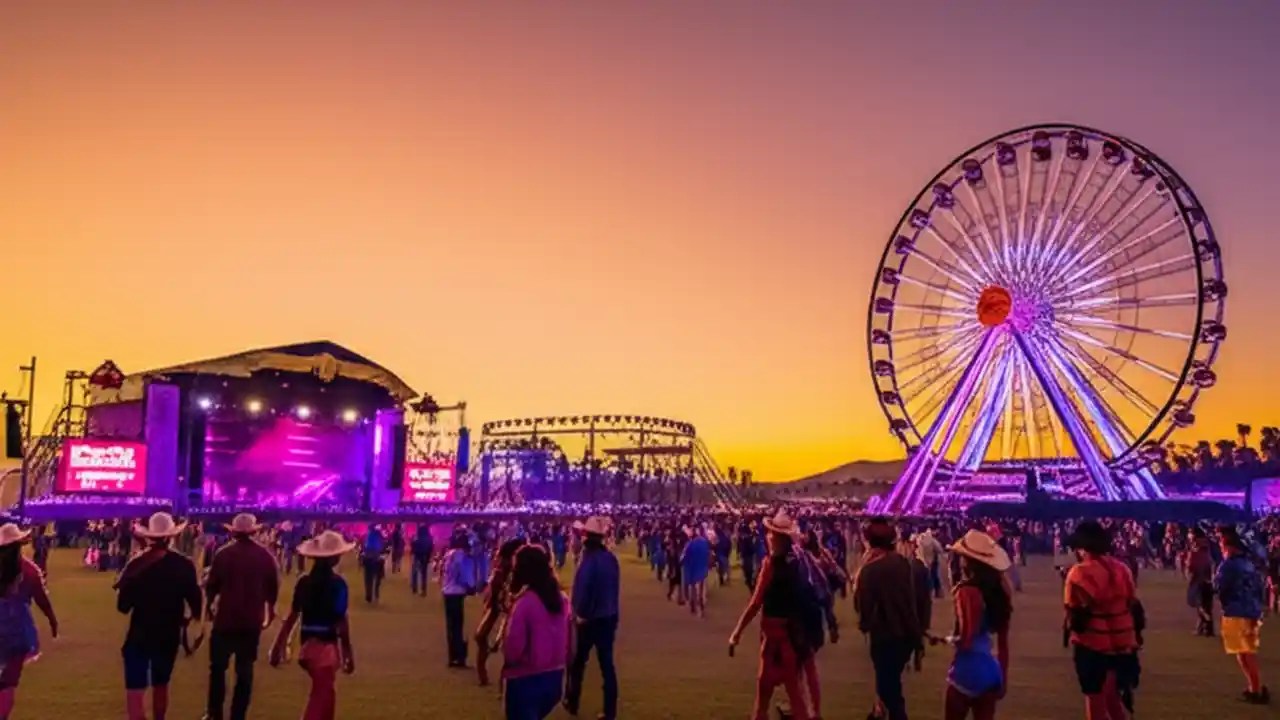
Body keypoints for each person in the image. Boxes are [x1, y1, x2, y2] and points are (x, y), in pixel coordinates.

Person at [116, 513, 203, 720]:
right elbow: (195, 604)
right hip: (168, 635)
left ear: (149, 536)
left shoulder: (136, 565)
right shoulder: (185, 565)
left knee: (135, 690)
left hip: (139, 634)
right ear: (171, 536)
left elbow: (123, 607)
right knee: (161, 685)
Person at [728, 511, 811, 720]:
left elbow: (756, 602)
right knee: (795, 692)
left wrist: (737, 632)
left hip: (774, 636)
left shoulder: (770, 564)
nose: (768, 536)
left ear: (776, 537)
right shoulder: (797, 561)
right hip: (793, 634)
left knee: (764, 692)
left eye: (771, 533)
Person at [269, 530, 357, 720]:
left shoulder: (304, 583)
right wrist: (348, 652)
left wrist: (278, 646)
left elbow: (292, 616)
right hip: (326, 648)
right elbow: (341, 621)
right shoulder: (338, 585)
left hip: (307, 647)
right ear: (334, 558)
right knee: (321, 696)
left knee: (327, 694)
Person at [1063, 520, 1143, 720]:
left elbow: (1075, 614)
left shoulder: (1079, 573)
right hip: (1123, 643)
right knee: (1113, 699)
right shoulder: (1121, 569)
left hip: (1093, 645)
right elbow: (1133, 604)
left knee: (1095, 700)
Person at [204, 513, 280, 720]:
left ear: (234, 532)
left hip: (225, 620)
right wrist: (270, 610)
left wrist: (210, 605)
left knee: (218, 669)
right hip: (250, 621)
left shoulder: (223, 554)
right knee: (244, 670)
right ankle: (238, 715)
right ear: (253, 532)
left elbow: (212, 586)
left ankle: (214, 713)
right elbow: (273, 588)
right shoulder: (265, 556)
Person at [853, 517, 923, 720]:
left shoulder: (869, 570)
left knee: (889, 691)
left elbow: (863, 609)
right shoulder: (903, 563)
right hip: (906, 635)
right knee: (890, 685)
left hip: (884, 637)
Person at [940, 530, 1012, 720]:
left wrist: (946, 639)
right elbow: (1003, 644)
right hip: (992, 671)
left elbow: (966, 638)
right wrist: (1003, 677)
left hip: (967, 669)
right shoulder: (1001, 593)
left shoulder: (966, 592)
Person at [503, 545, 573, 720]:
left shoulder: (525, 604)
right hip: (554, 676)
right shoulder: (561, 599)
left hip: (526, 678)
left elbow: (513, 648)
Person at [564, 516, 620, 720]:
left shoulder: (588, 559)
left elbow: (583, 588)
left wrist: (579, 613)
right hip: (609, 617)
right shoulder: (610, 559)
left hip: (589, 620)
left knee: (578, 662)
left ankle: (572, 700)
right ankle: (610, 710)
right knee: (607, 666)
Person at [0, 523, 58, 720]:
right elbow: (42, 599)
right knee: (9, 683)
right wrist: (52, 620)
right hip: (18, 628)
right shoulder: (30, 570)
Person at [1214, 525, 1269, 705]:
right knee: (1248, 651)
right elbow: (1260, 588)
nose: (1220, 546)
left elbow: (1220, 587)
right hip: (1253, 611)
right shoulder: (1249, 564)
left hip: (1237, 612)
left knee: (1244, 653)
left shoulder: (1229, 565)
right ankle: (1255, 686)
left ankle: (1256, 689)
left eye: (1222, 543)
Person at [476, 538, 527, 686]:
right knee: (504, 648)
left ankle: (485, 677)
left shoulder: (502, 570)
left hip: (498, 612)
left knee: (485, 643)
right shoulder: (507, 572)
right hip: (502, 613)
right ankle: (496, 680)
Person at [440, 533, 474, 668]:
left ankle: (452, 656)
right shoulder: (460, 556)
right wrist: (470, 586)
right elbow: (463, 574)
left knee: (451, 626)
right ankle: (460, 656)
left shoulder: (449, 555)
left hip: (447, 591)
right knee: (458, 626)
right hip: (457, 592)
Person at [1184, 527, 1215, 637]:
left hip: (1199, 581)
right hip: (1207, 581)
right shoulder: (1206, 550)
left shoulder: (1196, 552)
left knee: (1200, 605)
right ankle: (1204, 629)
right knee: (1205, 605)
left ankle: (1206, 623)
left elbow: (1192, 567)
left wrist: (1190, 574)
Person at [681, 525, 711, 618]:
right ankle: (701, 609)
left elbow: (684, 557)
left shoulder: (690, 544)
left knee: (694, 590)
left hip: (692, 569)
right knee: (701, 590)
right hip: (702, 569)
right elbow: (708, 555)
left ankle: (693, 606)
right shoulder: (705, 543)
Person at [360, 525, 387, 604]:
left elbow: (363, 548)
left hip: (368, 559)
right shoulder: (379, 534)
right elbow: (383, 546)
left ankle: (369, 596)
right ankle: (376, 594)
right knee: (377, 579)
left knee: (368, 579)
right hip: (377, 559)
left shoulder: (367, 536)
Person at [409, 525, 434, 597]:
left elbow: (413, 546)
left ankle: (415, 587)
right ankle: (424, 590)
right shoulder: (429, 539)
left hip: (418, 556)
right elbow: (431, 548)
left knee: (415, 572)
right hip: (425, 557)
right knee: (424, 574)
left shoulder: (418, 538)